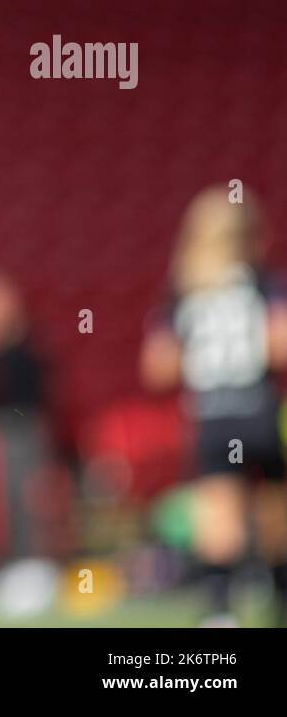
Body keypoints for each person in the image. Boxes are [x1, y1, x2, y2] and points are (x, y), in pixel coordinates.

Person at [140, 186, 287, 626]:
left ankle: (221, 610)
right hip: (259, 409)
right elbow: (280, 345)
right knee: (275, 508)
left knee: (218, 511)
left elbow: (157, 367)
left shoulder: (184, 293)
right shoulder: (263, 283)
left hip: (213, 416)